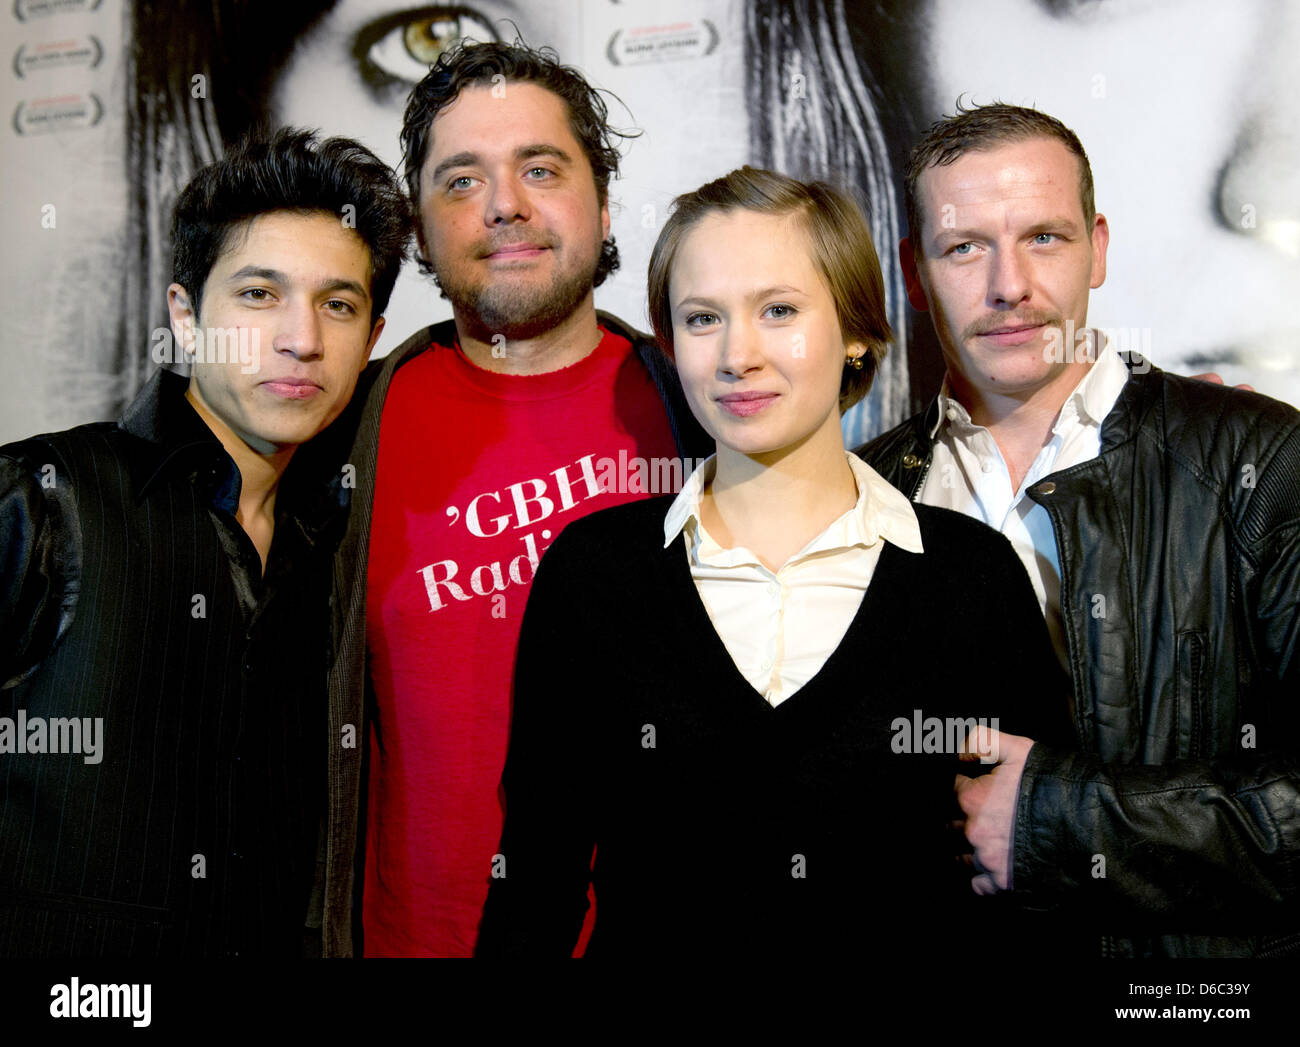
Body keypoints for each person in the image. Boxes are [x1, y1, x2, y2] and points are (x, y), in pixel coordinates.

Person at [474, 166, 1069, 957]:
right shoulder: (595, 576)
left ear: (856, 328)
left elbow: (1032, 893)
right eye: (702, 318)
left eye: (779, 310)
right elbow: (533, 892)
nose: (737, 355)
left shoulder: (970, 578)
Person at [857, 103, 1300, 957]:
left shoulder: (1259, 459)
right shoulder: (864, 496)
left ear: (1098, 247)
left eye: (1045, 239)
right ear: (913, 272)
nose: (1009, 284)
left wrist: (1060, 818)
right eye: (964, 246)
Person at [320, 40, 713, 958]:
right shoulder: (342, 431)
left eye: (541, 168)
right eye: (461, 180)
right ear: (416, 229)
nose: (504, 204)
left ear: (603, 203)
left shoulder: (707, 416)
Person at [0, 128, 411, 957]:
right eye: (260, 294)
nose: (303, 338)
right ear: (187, 319)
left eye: (338, 304)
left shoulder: (329, 553)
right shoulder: (47, 494)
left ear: (369, 341)